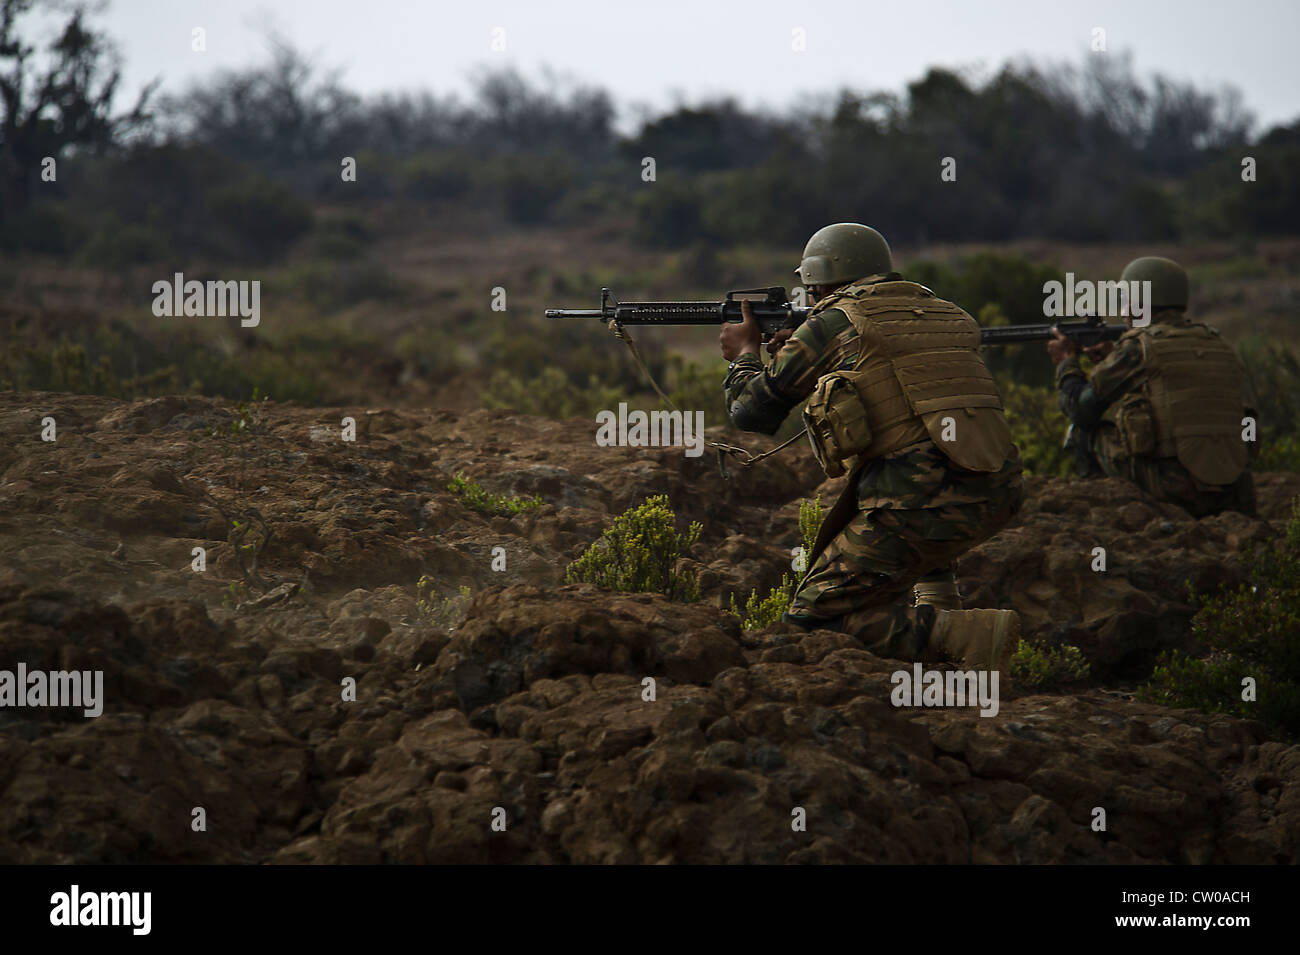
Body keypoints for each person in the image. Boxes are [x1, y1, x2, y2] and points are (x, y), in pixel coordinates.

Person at [719, 223, 1024, 671]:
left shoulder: (833, 321)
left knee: (811, 623)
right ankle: (948, 639)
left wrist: (745, 354)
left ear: (818, 280)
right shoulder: (943, 311)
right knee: (914, 539)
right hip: (997, 488)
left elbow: (750, 413)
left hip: (917, 501)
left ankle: (962, 636)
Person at [1048, 256, 1256, 517]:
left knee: (1084, 432)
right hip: (1234, 491)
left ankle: (1107, 517)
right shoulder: (1220, 345)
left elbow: (1080, 408)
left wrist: (1066, 364)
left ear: (1139, 304)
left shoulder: (1138, 347)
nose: (1123, 314)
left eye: (1125, 303)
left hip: (1173, 489)